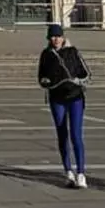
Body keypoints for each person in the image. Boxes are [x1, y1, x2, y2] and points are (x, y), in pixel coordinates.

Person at [38, 23, 90, 188]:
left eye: (58, 36)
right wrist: (45, 82)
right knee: (62, 134)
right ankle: (68, 171)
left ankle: (81, 173)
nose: (56, 39)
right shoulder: (46, 55)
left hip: (75, 97)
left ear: (63, 37)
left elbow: (86, 72)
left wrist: (78, 80)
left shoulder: (73, 51)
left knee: (76, 135)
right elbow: (41, 76)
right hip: (57, 98)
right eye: (53, 37)